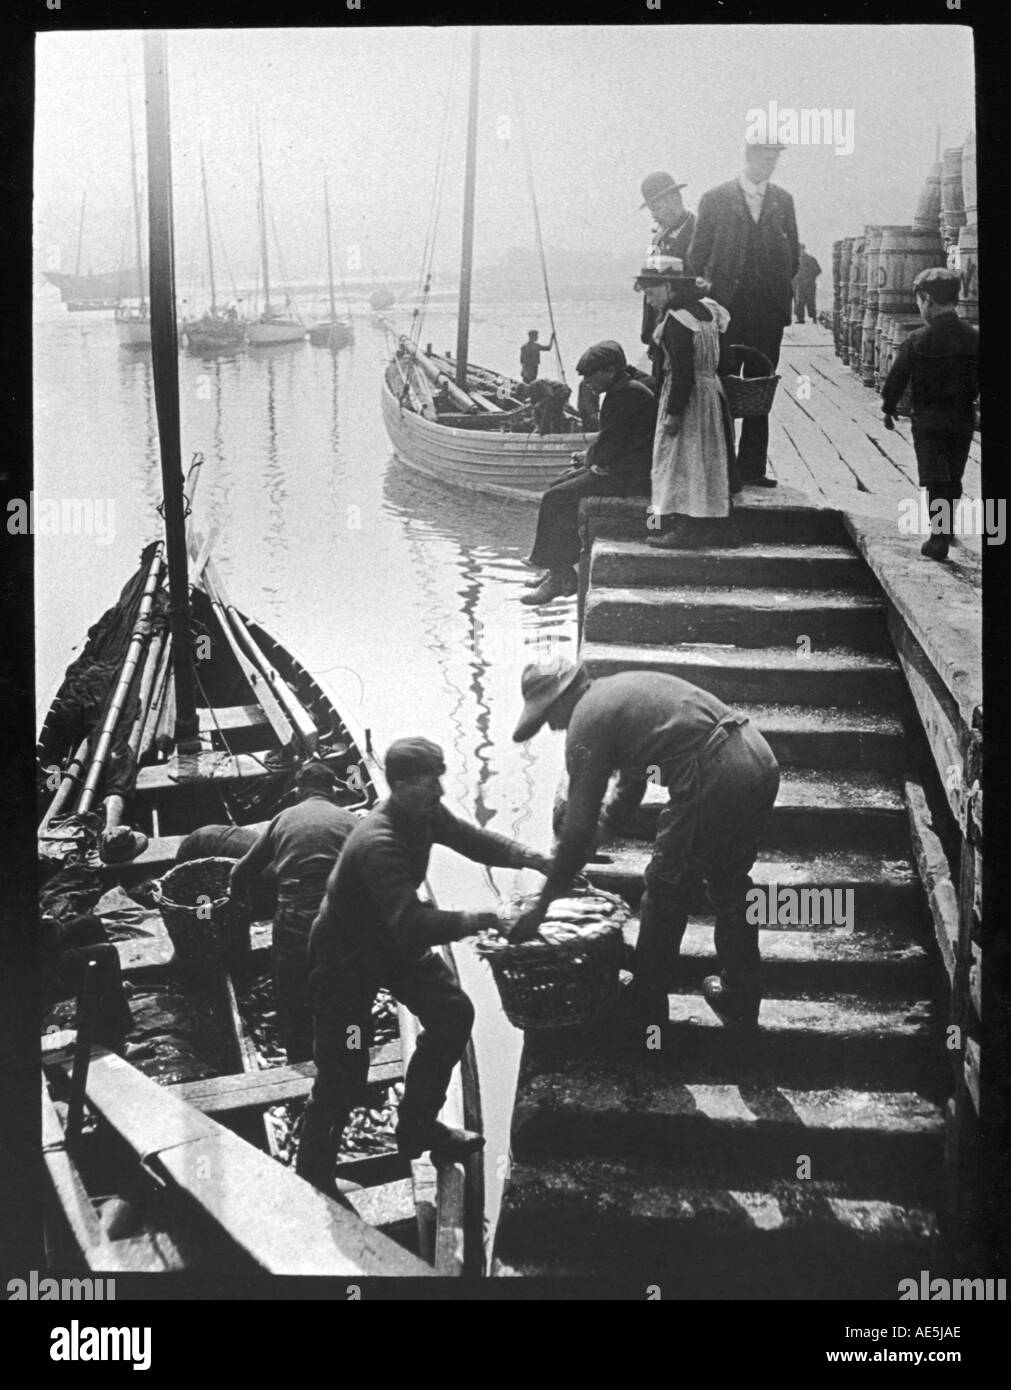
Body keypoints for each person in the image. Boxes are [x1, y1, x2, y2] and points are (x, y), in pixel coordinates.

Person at [295, 738, 551, 1199]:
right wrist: (488, 919)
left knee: (453, 1013)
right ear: (399, 785)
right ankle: (312, 1168)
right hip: (346, 957)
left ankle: (418, 1127)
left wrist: (532, 857)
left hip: (388, 941)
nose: (439, 789)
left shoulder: (424, 813)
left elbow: (472, 840)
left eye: (440, 777)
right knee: (344, 1068)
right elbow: (413, 925)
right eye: (429, 781)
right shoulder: (379, 839)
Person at [510, 658, 780, 1031]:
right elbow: (631, 786)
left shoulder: (585, 723)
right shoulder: (614, 692)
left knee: (664, 887)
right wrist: (602, 830)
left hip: (713, 772)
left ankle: (645, 1005)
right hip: (757, 758)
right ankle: (741, 997)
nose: (553, 727)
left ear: (560, 700)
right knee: (729, 883)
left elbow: (576, 830)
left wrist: (541, 907)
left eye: (547, 717)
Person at [229, 760, 358, 1063]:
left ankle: (299, 1060)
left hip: (293, 922)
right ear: (332, 790)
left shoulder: (283, 819)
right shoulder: (353, 822)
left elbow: (239, 874)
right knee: (345, 998)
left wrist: (238, 910)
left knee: (292, 996)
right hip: (338, 922)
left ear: (300, 790)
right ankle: (351, 1054)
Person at [689, 141, 800, 486]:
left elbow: (793, 256)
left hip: (768, 311)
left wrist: (776, 289)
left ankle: (752, 468)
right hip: (726, 309)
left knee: (760, 386)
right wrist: (713, 293)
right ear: (749, 157)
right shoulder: (714, 198)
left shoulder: (783, 200)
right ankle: (722, 467)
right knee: (721, 384)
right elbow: (696, 256)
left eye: (775, 161)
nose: (770, 166)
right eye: (765, 159)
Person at [521, 340, 658, 605]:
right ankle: (557, 571)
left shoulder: (623, 396)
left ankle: (559, 574)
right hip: (631, 467)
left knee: (556, 497)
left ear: (608, 371)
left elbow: (610, 445)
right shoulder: (627, 389)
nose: (586, 381)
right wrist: (591, 457)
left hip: (631, 476)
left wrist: (591, 459)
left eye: (590, 375)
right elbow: (614, 439)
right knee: (559, 483)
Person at [634, 258, 740, 549]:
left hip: (688, 396)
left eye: (652, 291)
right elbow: (726, 359)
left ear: (669, 287)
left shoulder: (677, 320)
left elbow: (682, 372)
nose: (649, 298)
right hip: (710, 392)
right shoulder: (709, 310)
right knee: (708, 459)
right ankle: (721, 526)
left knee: (681, 460)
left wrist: (673, 413)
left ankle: (685, 527)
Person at [881, 266, 979, 561]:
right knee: (954, 474)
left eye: (920, 302)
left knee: (935, 477)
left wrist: (888, 407)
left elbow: (896, 377)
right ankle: (947, 528)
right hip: (962, 419)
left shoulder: (918, 340)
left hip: (928, 421)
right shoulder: (973, 338)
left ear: (926, 299)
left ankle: (938, 537)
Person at [638, 171, 697, 380]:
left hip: (686, 330)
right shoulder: (656, 240)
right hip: (659, 332)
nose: (653, 215)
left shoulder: (699, 233)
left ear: (673, 199)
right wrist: (649, 332)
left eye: (656, 208)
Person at [792, 244, 822, 324]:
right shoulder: (797, 260)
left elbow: (818, 270)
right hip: (800, 283)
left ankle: (813, 317)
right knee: (800, 302)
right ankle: (800, 319)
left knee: (810, 301)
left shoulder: (810, 259)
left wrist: (810, 277)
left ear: (803, 249)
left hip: (809, 284)